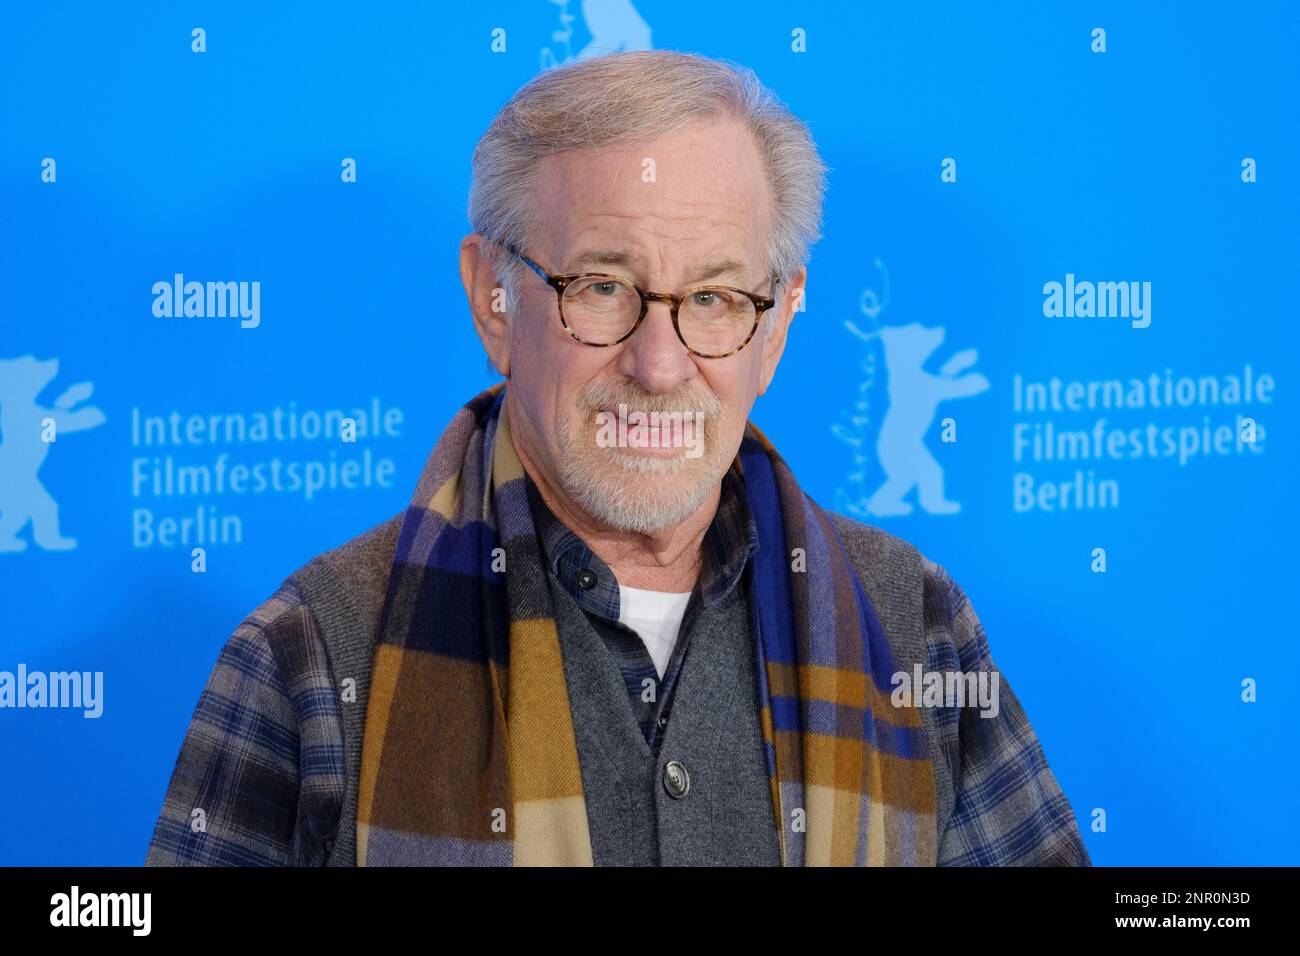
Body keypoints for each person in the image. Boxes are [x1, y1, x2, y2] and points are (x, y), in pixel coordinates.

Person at [145, 49, 1089, 867]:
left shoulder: (914, 623)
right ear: (492, 299)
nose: (660, 365)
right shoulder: (306, 659)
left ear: (779, 325)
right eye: (602, 286)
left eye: (715, 298)